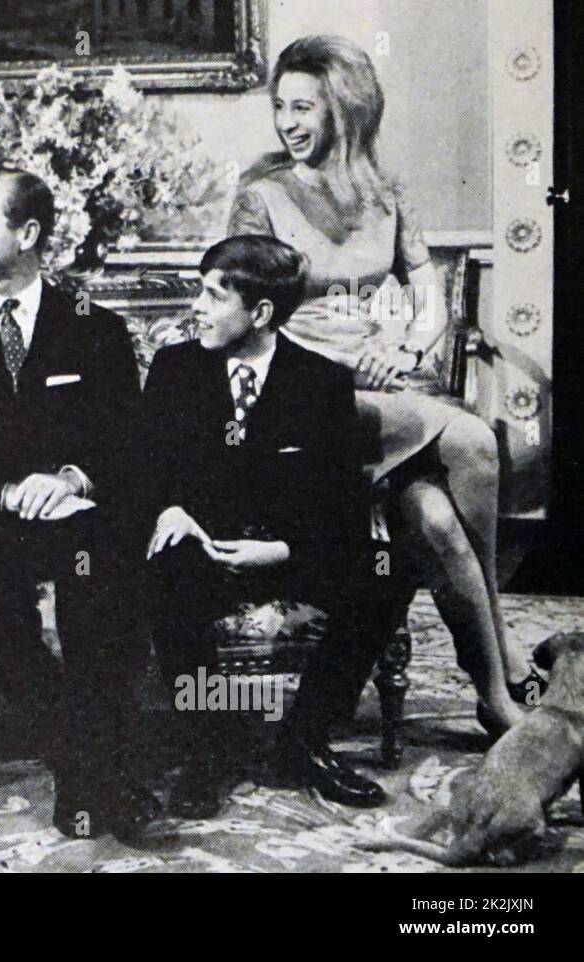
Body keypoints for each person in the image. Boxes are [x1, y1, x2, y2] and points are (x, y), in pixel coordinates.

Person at [227, 35, 536, 736]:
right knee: (472, 439)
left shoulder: (387, 190)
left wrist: (407, 343)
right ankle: (506, 642)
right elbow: (249, 322)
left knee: (432, 517)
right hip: (307, 397)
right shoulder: (262, 196)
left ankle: (491, 692)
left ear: (347, 110)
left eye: (304, 107)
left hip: (392, 386)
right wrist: (340, 367)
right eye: (281, 107)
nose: (288, 123)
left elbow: (428, 293)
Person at [0, 168, 157, 847]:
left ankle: (83, 769)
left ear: (29, 233)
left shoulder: (95, 329)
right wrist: (6, 486)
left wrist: (71, 478)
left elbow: (125, 439)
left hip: (73, 513)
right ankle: (94, 764)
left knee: (98, 569)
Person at [144, 235, 394, 816]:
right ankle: (207, 747)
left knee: (386, 572)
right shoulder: (176, 367)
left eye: (212, 296)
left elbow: (342, 500)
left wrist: (282, 550)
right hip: (202, 550)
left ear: (259, 313)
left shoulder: (322, 382)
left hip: (288, 553)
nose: (196, 308)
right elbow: (142, 464)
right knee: (166, 570)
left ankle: (304, 741)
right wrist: (168, 508)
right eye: (197, 292)